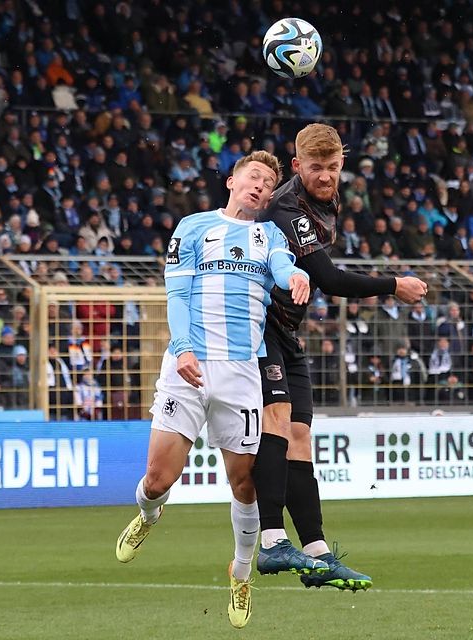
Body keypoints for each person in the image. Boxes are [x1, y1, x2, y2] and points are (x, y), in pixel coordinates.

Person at [115, 151, 311, 629]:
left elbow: (284, 268)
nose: (262, 186)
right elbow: (177, 292)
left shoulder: (270, 236)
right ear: (232, 180)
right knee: (159, 479)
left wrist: (297, 276)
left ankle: (241, 574)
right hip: (188, 366)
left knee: (244, 483)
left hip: (242, 375)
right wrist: (182, 348)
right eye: (254, 177)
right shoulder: (194, 226)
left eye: (269, 182)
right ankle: (149, 513)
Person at [253, 124, 427, 591]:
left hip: (288, 331)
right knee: (278, 417)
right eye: (316, 168)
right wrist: (393, 284)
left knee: (301, 436)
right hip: (259, 324)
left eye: (332, 167)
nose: (326, 176)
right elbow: (328, 279)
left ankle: (316, 553)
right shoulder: (289, 208)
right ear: (296, 166)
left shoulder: (326, 200)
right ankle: (271, 540)